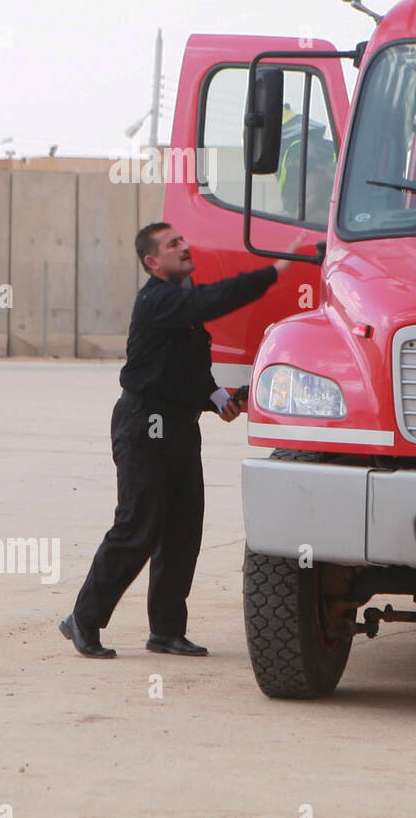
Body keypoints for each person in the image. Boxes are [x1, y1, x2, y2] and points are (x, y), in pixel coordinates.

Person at [59, 223, 305, 658]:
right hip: (144, 425)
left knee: (182, 529)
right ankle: (83, 618)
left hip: (178, 426)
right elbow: (215, 298)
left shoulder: (180, 307)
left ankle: (167, 631)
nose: (184, 246)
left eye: (183, 240)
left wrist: (218, 399)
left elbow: (190, 370)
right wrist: (276, 270)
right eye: (173, 244)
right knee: (137, 527)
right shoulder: (159, 299)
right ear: (153, 262)